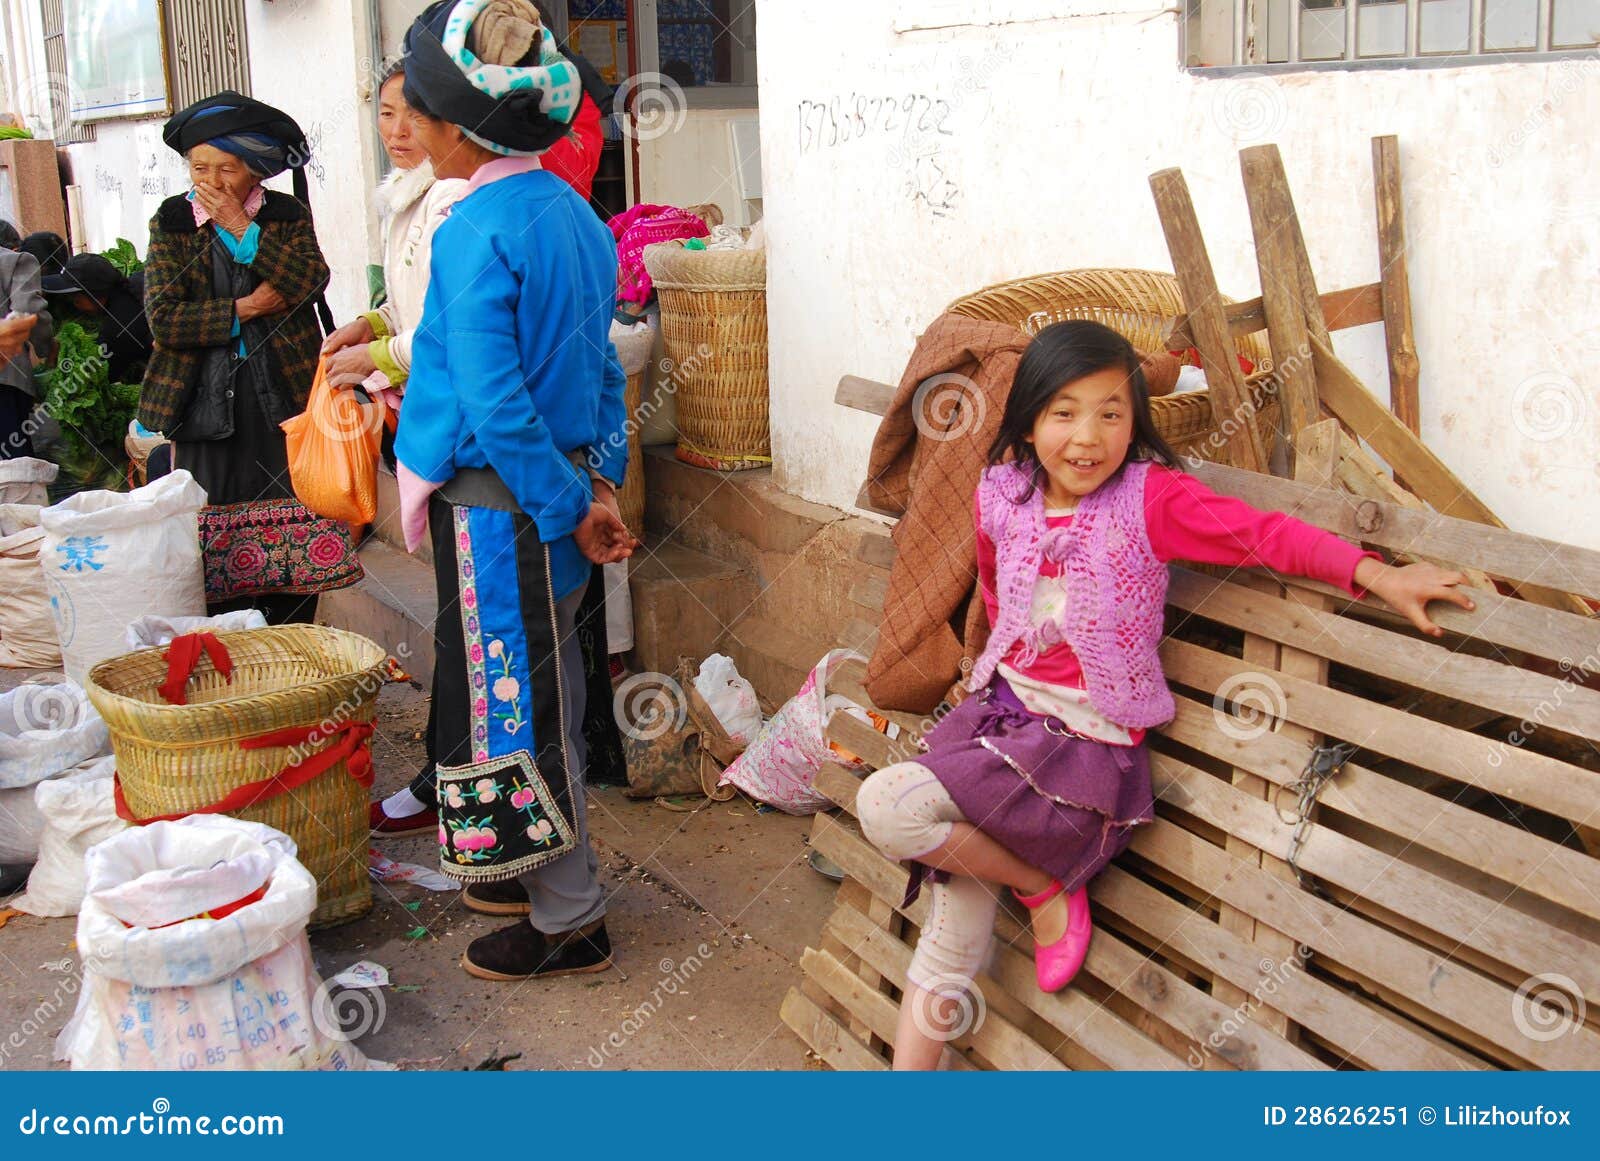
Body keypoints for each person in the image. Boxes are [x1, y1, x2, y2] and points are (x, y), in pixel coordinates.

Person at [855, 320, 1477, 1071]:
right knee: (953, 924)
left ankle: (1044, 881)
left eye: (1111, 413)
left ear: (1135, 420)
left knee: (887, 804)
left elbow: (1266, 534)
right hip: (1001, 723)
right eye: (1063, 412)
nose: (1087, 437)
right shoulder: (1001, 492)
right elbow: (997, 588)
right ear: (1025, 420)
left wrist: (1379, 575)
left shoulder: (1151, 500)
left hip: (1076, 758)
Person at [388, 0, 633, 982]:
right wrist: (597, 480)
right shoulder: (576, 216)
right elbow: (603, 371)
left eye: (420, 113)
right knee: (545, 696)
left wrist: (563, 502)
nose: (412, 129)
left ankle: (566, 916)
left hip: (505, 508)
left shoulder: (471, 229)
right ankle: (528, 880)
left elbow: (492, 402)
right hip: (556, 491)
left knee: (514, 709)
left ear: (459, 127)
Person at [140, 91, 353, 624]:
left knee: (296, 535)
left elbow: (310, 281)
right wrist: (248, 306)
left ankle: (291, 646)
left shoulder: (282, 214)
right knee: (212, 546)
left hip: (282, 398)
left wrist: (242, 228)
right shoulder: (171, 221)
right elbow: (164, 317)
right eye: (199, 168)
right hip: (202, 405)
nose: (210, 183)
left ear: (255, 171)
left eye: (226, 169)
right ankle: (232, 657)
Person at [321, 61, 467, 415]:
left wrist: (377, 355)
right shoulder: (402, 194)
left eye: (415, 116)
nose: (398, 131)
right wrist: (375, 323)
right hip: (426, 393)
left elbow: (457, 326)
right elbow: (418, 297)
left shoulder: (454, 195)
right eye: (387, 113)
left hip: (458, 399)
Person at [41, 253, 152, 382]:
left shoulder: (117, 331)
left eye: (76, 297)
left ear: (94, 294)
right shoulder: (135, 282)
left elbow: (96, 376)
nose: (74, 302)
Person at [0, 223, 50, 457]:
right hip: (7, 383)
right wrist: (46, 350)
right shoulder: (15, 261)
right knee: (13, 473)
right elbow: (29, 314)